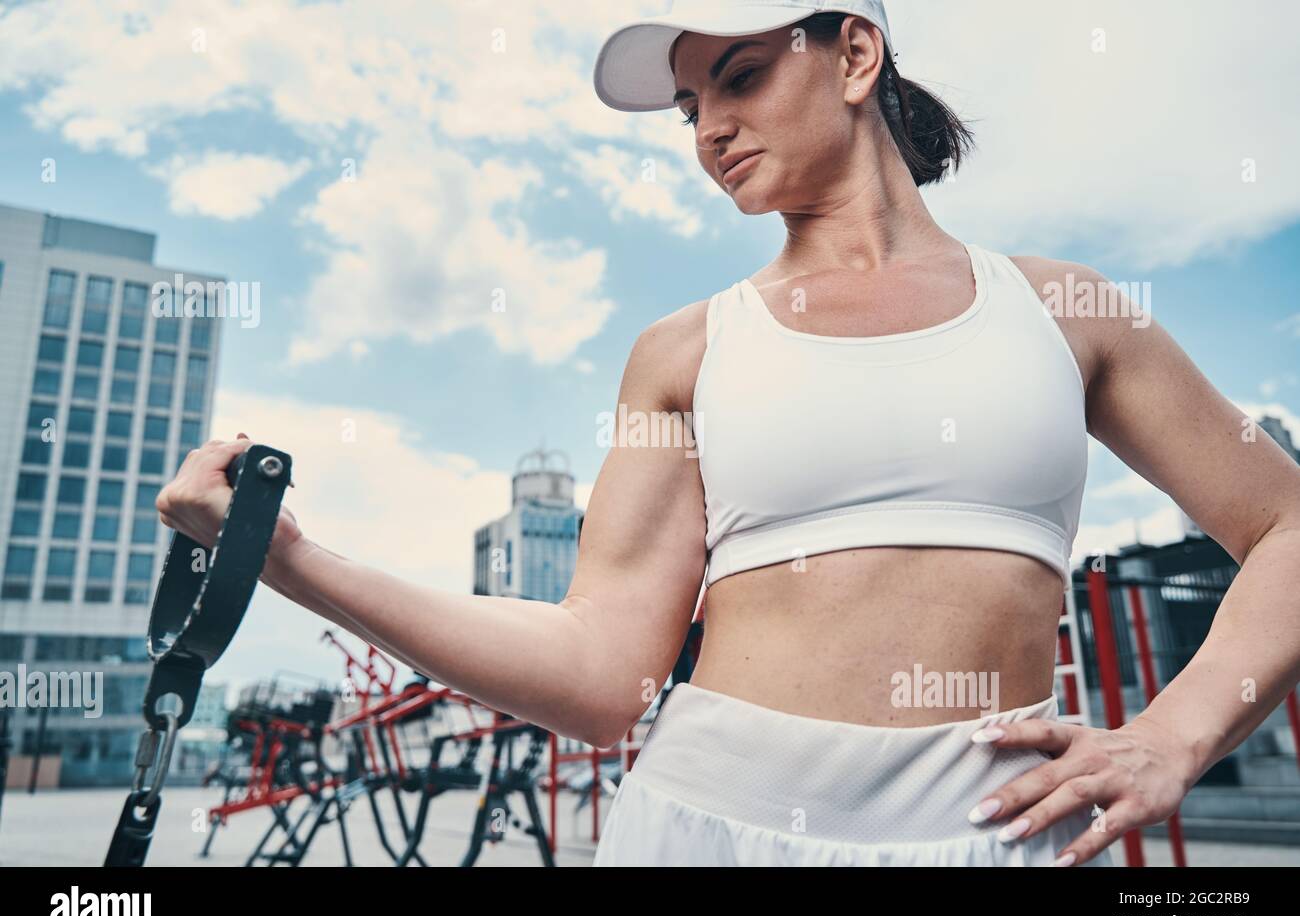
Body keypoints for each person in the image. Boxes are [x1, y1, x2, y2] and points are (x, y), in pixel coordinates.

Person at [158, 0, 1300, 866]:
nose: (709, 127)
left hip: (994, 836)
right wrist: (288, 559)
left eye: (740, 75)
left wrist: (1176, 733)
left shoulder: (1064, 311)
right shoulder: (684, 352)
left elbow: (1285, 526)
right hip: (710, 827)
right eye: (688, 105)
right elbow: (600, 674)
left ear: (855, 55)